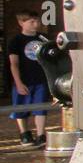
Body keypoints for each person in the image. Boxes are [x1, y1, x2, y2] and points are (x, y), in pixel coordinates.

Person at [8, 9, 52, 148]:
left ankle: (40, 134)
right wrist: (18, 83)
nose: (36, 24)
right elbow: (14, 64)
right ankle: (25, 133)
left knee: (40, 108)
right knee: (21, 108)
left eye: (37, 21)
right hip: (24, 79)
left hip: (41, 79)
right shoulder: (16, 41)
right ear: (21, 22)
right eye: (31, 22)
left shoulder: (43, 38)